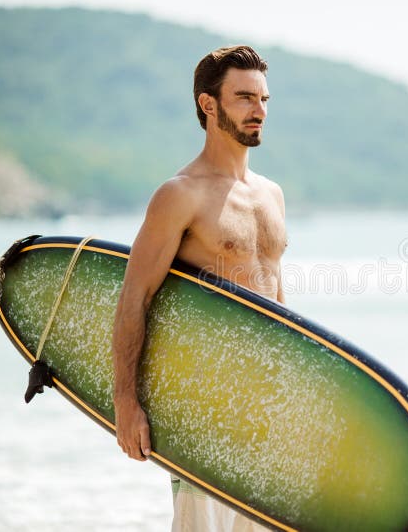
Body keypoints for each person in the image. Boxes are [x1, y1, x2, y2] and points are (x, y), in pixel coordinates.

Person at [111, 45, 285, 532]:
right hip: (202, 402)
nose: (259, 111)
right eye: (244, 97)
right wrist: (126, 402)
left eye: (265, 99)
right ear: (209, 106)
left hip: (268, 401)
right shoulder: (179, 195)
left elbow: (278, 300)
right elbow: (134, 298)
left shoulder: (272, 195)